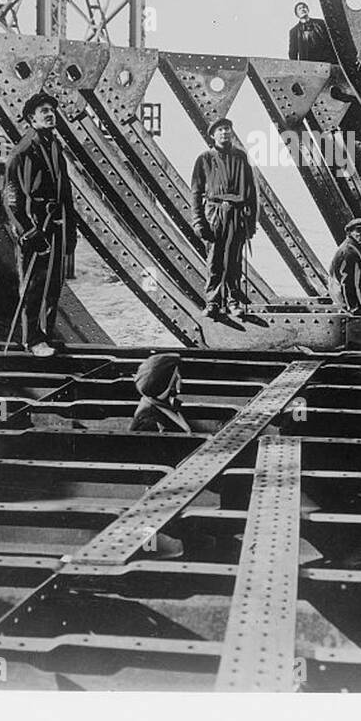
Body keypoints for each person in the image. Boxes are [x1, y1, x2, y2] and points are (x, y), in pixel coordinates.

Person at [3, 91, 77, 357]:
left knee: (52, 285)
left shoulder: (53, 145)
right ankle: (31, 340)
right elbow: (11, 197)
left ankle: (45, 335)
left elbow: (65, 191)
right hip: (36, 227)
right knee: (33, 285)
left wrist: (70, 229)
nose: (49, 114)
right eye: (43, 111)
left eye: (51, 110)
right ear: (31, 119)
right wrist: (28, 231)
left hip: (54, 225)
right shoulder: (24, 150)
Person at [190, 117, 258, 319]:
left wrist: (251, 223)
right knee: (215, 259)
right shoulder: (204, 158)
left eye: (227, 129)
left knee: (234, 260)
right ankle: (212, 302)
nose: (224, 133)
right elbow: (195, 192)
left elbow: (251, 192)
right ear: (213, 135)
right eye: (220, 130)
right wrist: (198, 221)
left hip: (237, 214)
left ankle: (233, 301)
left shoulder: (241, 157)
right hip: (215, 213)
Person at [129, 353, 191, 559]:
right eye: (177, 376)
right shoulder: (149, 422)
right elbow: (153, 476)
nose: (181, 380)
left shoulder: (160, 407)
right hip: (162, 504)